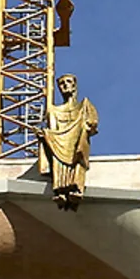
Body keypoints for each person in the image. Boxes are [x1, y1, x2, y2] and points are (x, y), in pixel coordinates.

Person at [40, 73, 98, 210]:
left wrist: (88, 126)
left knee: (79, 150)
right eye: (61, 83)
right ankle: (60, 190)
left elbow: (93, 122)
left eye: (68, 81)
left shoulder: (84, 106)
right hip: (60, 144)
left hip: (77, 144)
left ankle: (76, 187)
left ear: (74, 85)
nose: (65, 85)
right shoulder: (53, 111)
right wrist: (45, 134)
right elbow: (53, 132)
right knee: (56, 152)